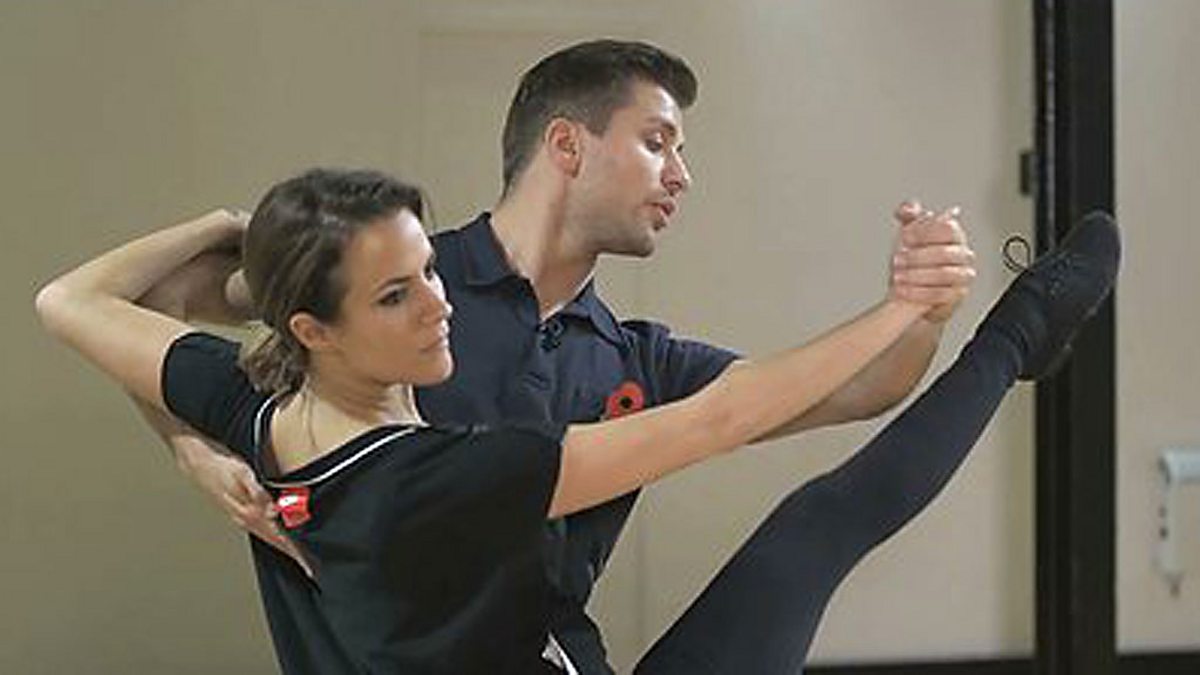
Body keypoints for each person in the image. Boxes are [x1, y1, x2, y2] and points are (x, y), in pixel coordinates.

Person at [37, 167, 1119, 673]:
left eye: (428, 271)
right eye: (398, 296)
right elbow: (723, 419)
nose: (437, 302)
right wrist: (902, 305)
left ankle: (1022, 334)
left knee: (814, 525)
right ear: (315, 329)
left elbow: (71, 301)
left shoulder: (251, 404)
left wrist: (190, 434)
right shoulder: (425, 482)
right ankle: (1019, 335)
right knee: (821, 526)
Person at [133, 40, 981, 673]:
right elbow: (156, 304)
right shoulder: (396, 284)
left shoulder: (639, 360)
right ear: (567, 145)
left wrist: (924, 308)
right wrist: (193, 450)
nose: (681, 175)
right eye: (658, 142)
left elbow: (865, 388)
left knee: (816, 528)